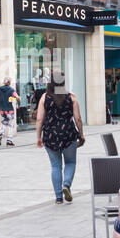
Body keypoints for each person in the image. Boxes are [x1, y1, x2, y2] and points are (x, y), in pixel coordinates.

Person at [34, 74, 83, 204]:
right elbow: (77, 118)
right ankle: (66, 185)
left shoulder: (45, 97)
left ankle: (59, 197)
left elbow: (39, 119)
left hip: (50, 135)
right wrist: (81, 135)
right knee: (70, 163)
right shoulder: (71, 97)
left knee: (55, 166)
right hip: (68, 134)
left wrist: (38, 137)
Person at [0, 77, 17, 147]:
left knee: (4, 123)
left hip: (2, 111)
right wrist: (19, 103)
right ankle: (9, 141)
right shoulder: (11, 90)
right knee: (11, 125)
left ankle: (0, 135)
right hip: (9, 110)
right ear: (9, 83)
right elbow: (17, 97)